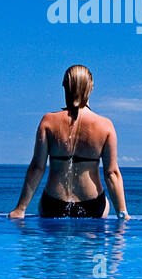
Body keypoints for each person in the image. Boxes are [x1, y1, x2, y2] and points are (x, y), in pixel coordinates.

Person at [9, 65, 130, 219]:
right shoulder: (105, 126)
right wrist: (122, 212)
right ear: (91, 87)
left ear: (65, 86)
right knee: (103, 207)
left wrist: (20, 209)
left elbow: (37, 167)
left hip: (53, 204)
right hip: (92, 205)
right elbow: (111, 173)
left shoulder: (48, 122)